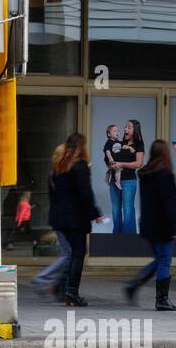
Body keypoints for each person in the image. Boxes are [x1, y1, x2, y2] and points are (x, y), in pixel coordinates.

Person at [48, 133, 108, 306]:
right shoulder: (79, 166)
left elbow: (56, 192)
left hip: (61, 217)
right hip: (75, 218)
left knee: (73, 253)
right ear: (81, 147)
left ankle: (66, 289)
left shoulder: (60, 165)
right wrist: (95, 213)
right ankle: (71, 291)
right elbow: (85, 193)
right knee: (78, 253)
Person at [124, 140, 176, 310]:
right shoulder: (165, 174)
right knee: (164, 260)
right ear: (165, 154)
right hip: (163, 225)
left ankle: (134, 285)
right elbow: (167, 205)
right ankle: (161, 299)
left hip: (148, 224)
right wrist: (174, 229)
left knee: (160, 259)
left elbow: (152, 201)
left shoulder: (146, 174)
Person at [108, 118, 145, 234]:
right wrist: (111, 164)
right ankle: (116, 237)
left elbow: (138, 164)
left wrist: (121, 164)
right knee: (115, 210)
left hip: (129, 181)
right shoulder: (120, 143)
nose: (125, 129)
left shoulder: (139, 144)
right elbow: (111, 156)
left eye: (129, 127)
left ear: (135, 130)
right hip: (114, 180)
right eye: (125, 127)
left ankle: (128, 239)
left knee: (128, 209)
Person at [102, 124, 122, 191]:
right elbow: (107, 150)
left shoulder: (119, 142)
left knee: (110, 169)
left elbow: (122, 147)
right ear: (109, 134)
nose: (117, 132)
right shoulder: (109, 142)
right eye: (115, 131)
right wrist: (110, 158)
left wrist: (129, 147)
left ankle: (106, 179)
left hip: (114, 160)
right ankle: (117, 182)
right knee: (118, 168)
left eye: (118, 131)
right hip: (110, 159)